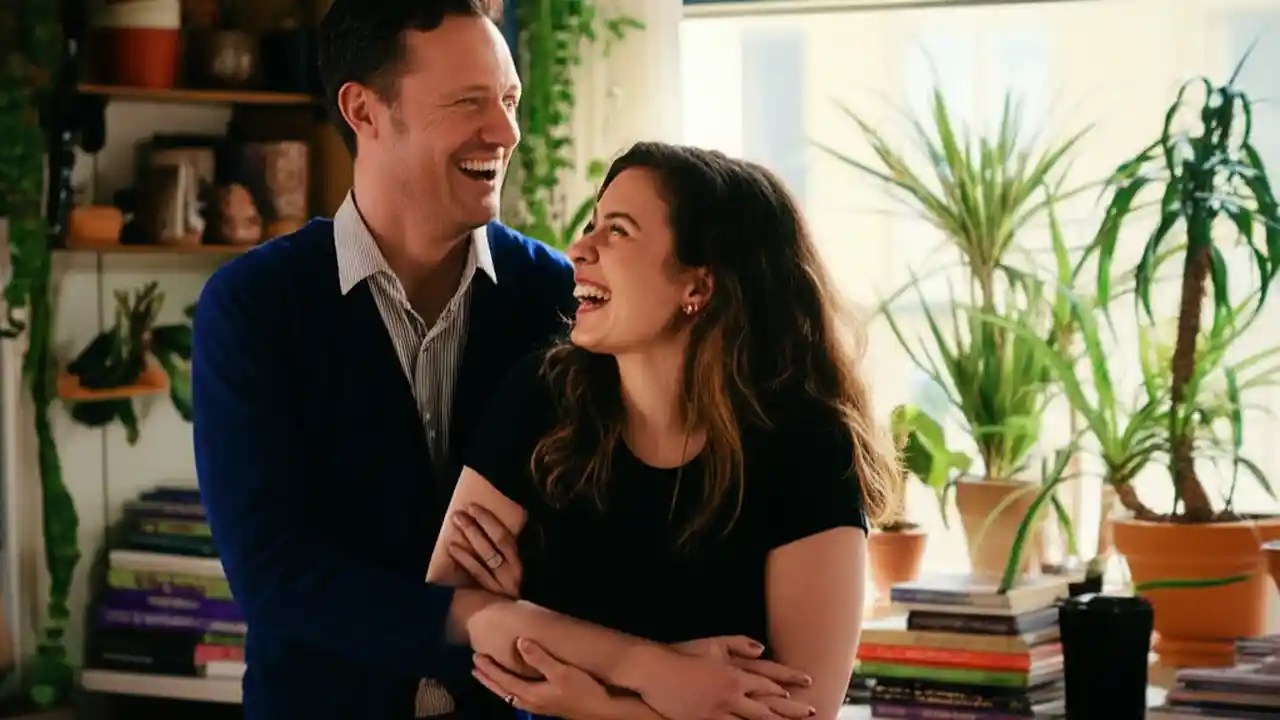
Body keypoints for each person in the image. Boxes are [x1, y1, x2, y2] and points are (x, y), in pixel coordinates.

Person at [192, 2, 812, 718]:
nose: (506, 131)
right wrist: (487, 615)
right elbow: (281, 579)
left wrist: (547, 586)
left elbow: (628, 524)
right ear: (364, 110)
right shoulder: (254, 308)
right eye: (468, 102)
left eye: (510, 100)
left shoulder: (564, 304)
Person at [426, 142, 899, 720]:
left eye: (617, 232)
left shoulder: (806, 447)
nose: (579, 250)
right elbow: (451, 609)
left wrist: (598, 703)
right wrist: (657, 671)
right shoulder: (542, 397)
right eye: (591, 225)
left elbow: (801, 712)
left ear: (697, 288)